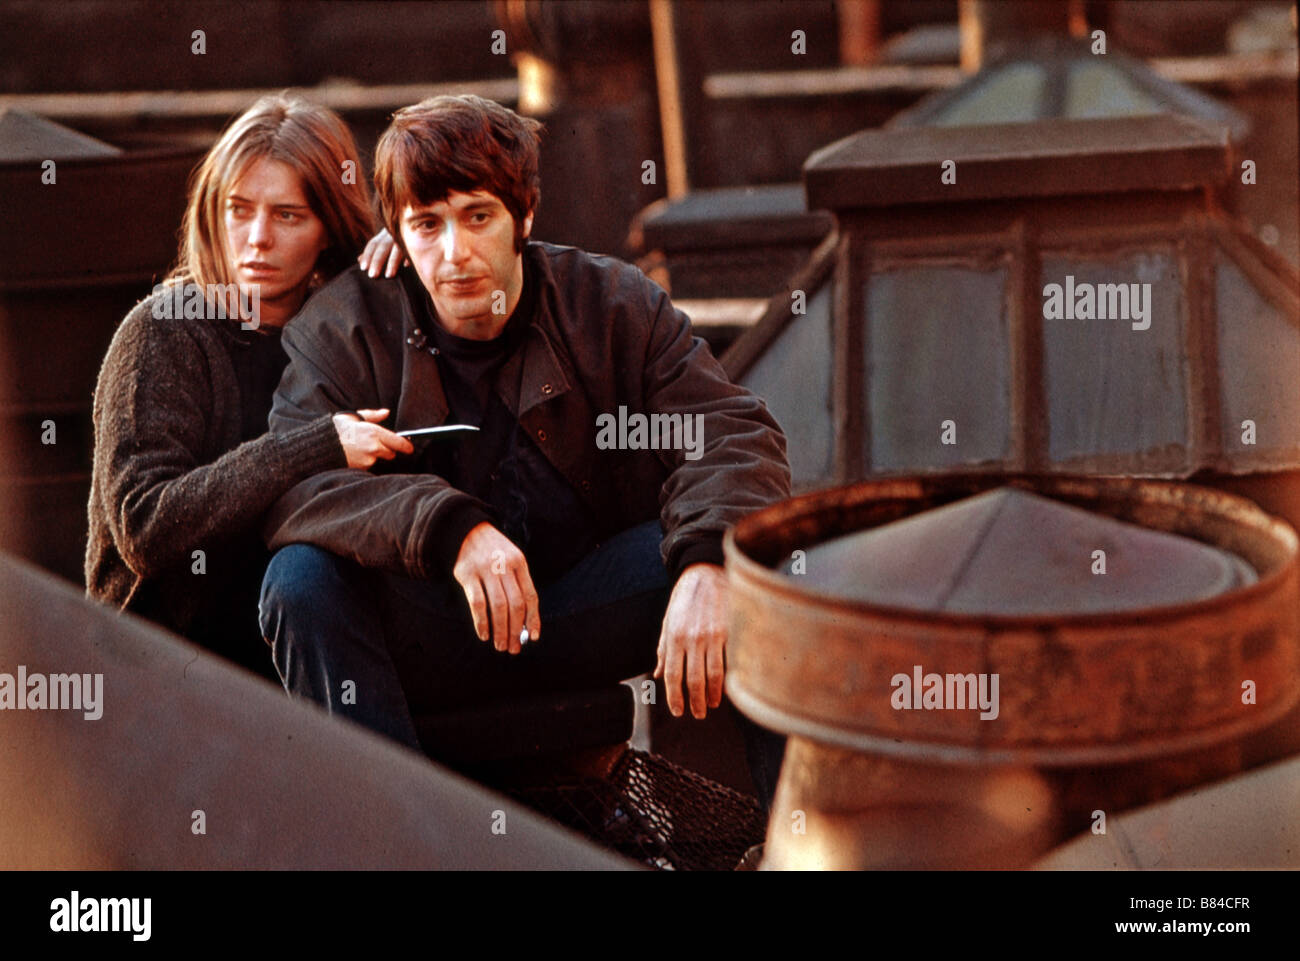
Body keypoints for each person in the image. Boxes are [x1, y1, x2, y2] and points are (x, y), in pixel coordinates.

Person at [258, 94, 790, 803]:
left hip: (574, 608)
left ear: (525, 215)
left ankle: (803, 844)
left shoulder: (608, 303)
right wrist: (451, 529)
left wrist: (708, 561)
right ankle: (393, 843)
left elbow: (732, 430)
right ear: (398, 234)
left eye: (478, 216)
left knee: (760, 575)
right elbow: (297, 484)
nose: (455, 253)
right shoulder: (343, 330)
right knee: (299, 580)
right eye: (427, 225)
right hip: (432, 629)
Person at [85, 94, 408, 681]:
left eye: (287, 215)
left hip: (296, 646)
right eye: (239, 209)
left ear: (329, 230)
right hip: (160, 666)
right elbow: (144, 525)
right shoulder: (165, 330)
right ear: (213, 212)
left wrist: (409, 269)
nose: (256, 237)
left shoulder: (344, 319)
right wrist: (314, 447)